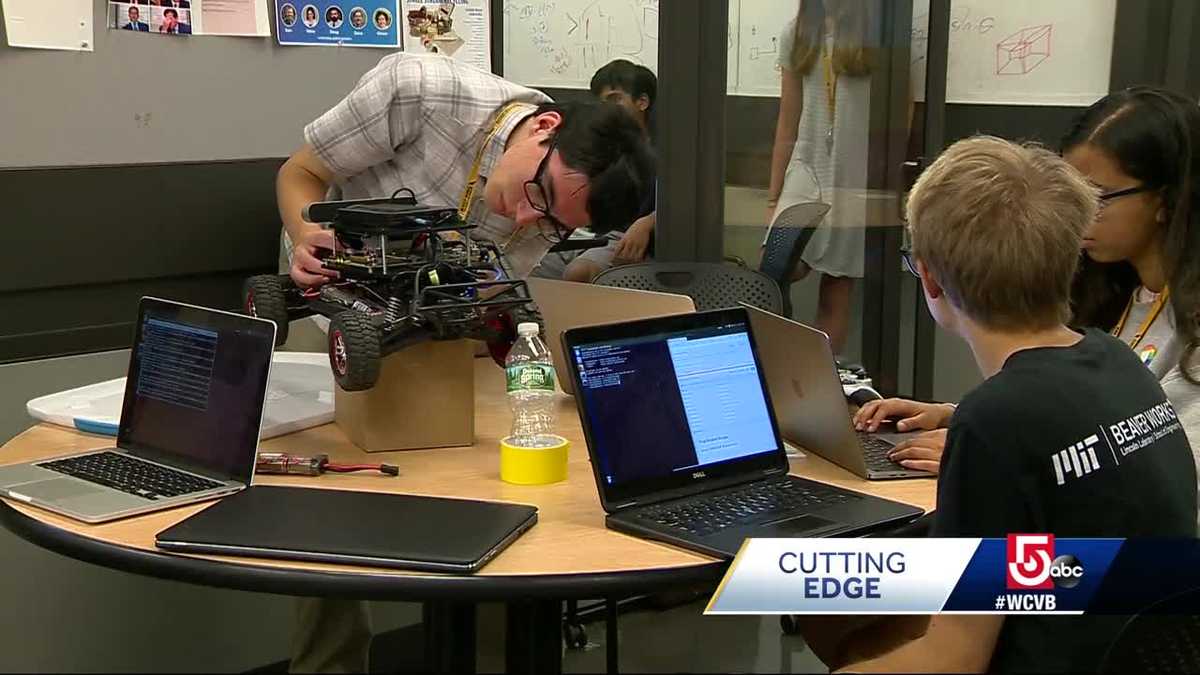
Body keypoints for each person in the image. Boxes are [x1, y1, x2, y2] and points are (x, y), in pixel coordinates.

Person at [278, 54, 652, 672]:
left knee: (489, 498)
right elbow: (301, 172)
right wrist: (304, 236)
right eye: (540, 195)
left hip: (440, 326)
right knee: (329, 517)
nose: (529, 220)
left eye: (556, 224)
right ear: (543, 127)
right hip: (336, 304)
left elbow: (493, 290)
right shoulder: (420, 90)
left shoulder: (551, 211)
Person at [805, 135, 1196, 673]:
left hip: (1060, 640)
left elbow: (956, 659)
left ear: (931, 279)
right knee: (816, 591)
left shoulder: (997, 420)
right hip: (1127, 626)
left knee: (819, 596)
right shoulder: (1115, 359)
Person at [858, 87, 1200, 491]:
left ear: (1168, 197)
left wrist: (1001, 454)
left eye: (1099, 197)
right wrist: (961, 417)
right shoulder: (1115, 290)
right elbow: (1077, 415)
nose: (1080, 216)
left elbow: (1172, 470)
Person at [764, 0, 871, 356]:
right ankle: (777, 364)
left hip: (854, 173)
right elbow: (787, 118)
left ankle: (818, 378)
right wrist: (773, 196)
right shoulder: (797, 32)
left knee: (836, 288)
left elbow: (902, 109)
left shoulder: (877, 33)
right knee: (776, 270)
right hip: (806, 166)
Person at [532, 59, 658, 282]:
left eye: (615, 99)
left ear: (642, 102)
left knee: (579, 272)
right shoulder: (602, 144)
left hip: (627, 238)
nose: (607, 109)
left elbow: (688, 203)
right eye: (602, 102)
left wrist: (648, 222)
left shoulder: (666, 149)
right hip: (585, 232)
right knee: (525, 264)